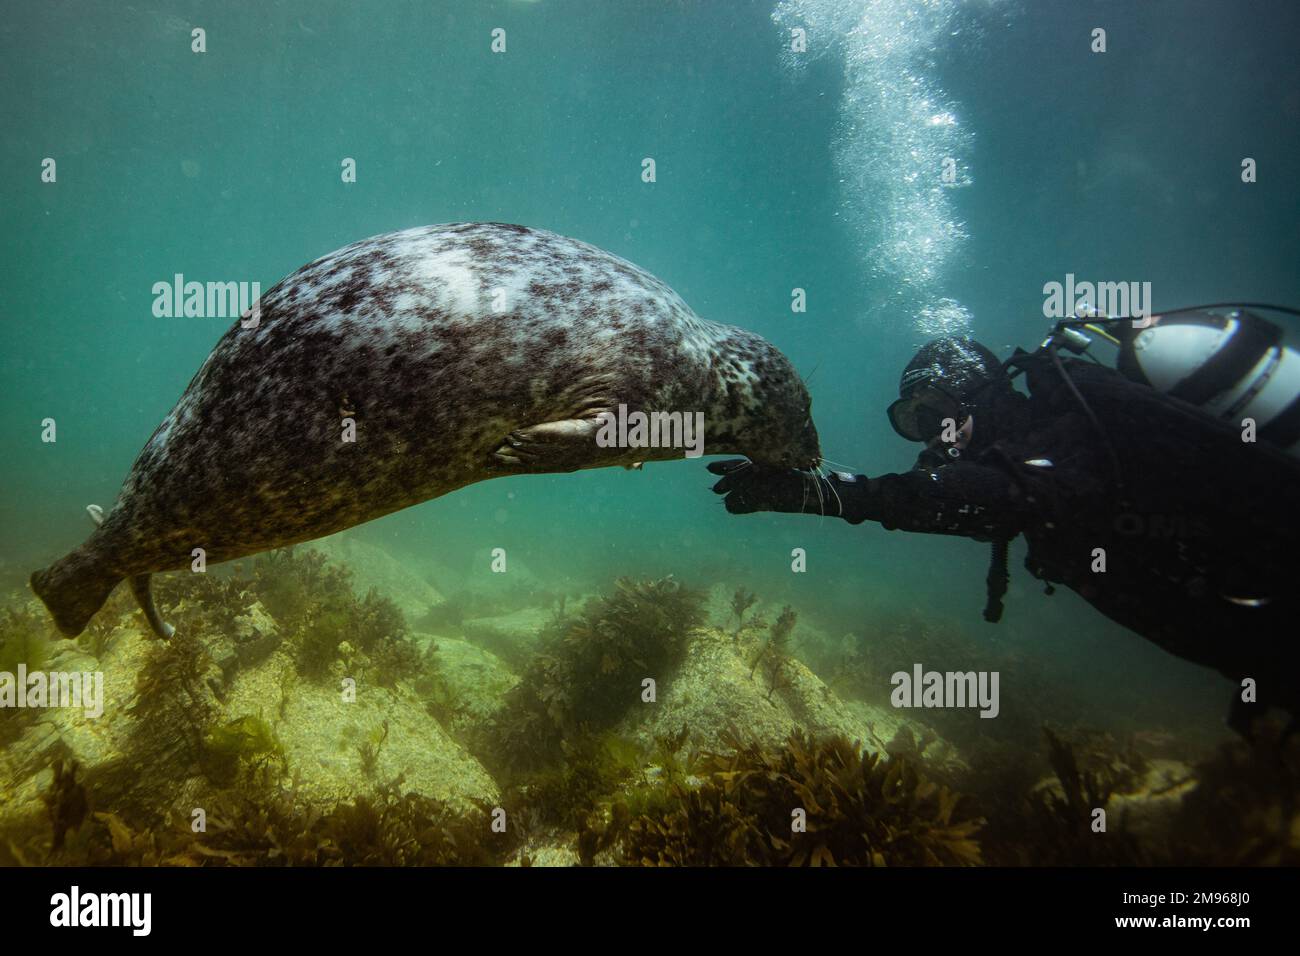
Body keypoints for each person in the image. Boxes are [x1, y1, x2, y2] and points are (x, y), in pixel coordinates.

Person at [708, 331, 1300, 734]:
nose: (933, 436)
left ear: (979, 396)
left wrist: (820, 493)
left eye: (937, 413)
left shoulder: (1069, 437)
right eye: (914, 423)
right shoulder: (1036, 455)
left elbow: (978, 501)